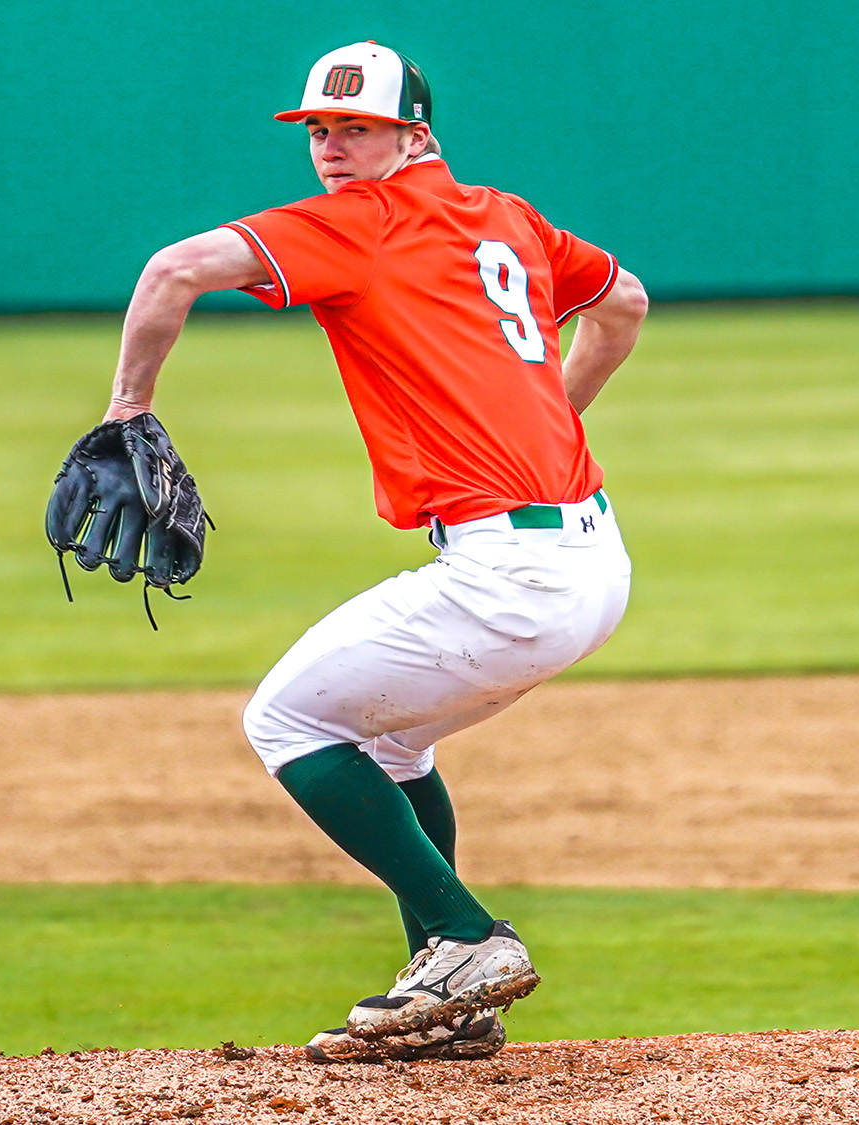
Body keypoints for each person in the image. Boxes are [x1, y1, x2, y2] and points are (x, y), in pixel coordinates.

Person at [100, 41, 647, 1061]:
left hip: (508, 578)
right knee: (390, 744)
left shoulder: (356, 225)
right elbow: (622, 305)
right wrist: (545, 422)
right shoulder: (510, 218)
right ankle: (450, 1005)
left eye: (355, 127)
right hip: (589, 560)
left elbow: (172, 269)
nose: (330, 147)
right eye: (317, 128)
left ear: (415, 134)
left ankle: (465, 938)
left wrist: (127, 407)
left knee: (287, 720)